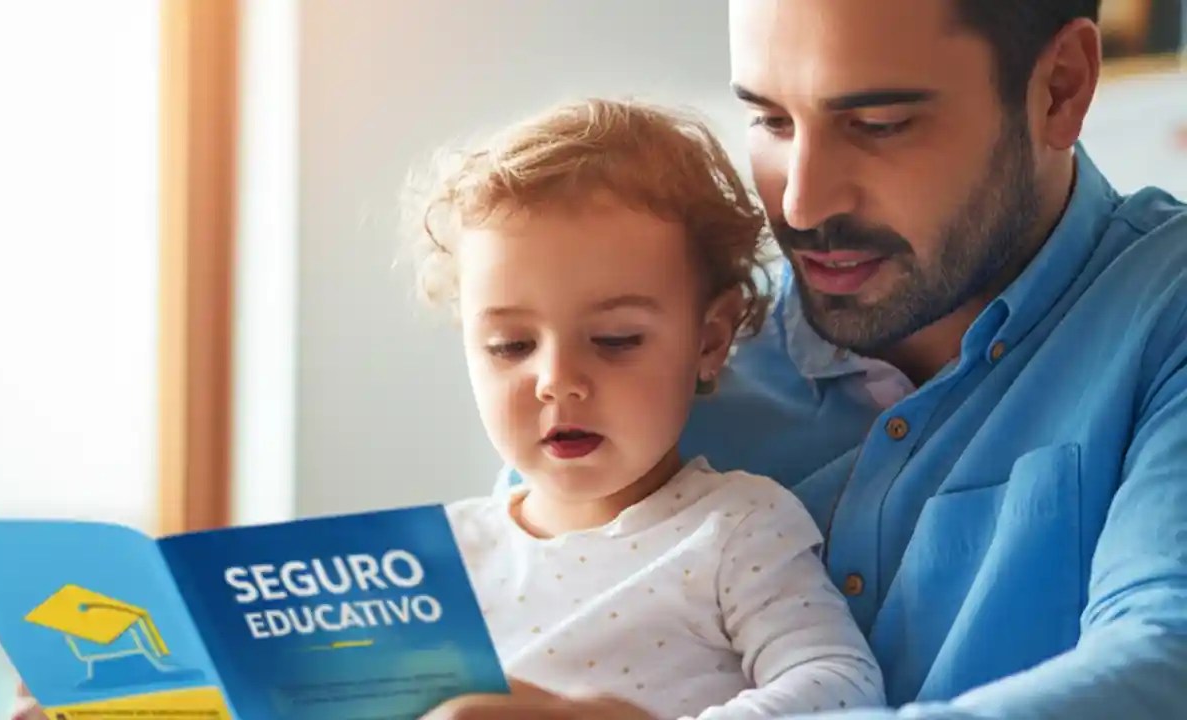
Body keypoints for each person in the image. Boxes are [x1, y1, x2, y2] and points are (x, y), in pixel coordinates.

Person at [422, 0, 1187, 718]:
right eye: (768, 120)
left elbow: (1166, 667)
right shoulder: (657, 358)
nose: (799, 206)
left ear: (1060, 88)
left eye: (878, 123)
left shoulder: (1160, 312)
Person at [414, 97, 885, 717]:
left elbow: (841, 685)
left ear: (710, 341)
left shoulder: (736, 528)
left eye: (615, 341)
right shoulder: (439, 555)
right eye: (512, 346)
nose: (557, 381)